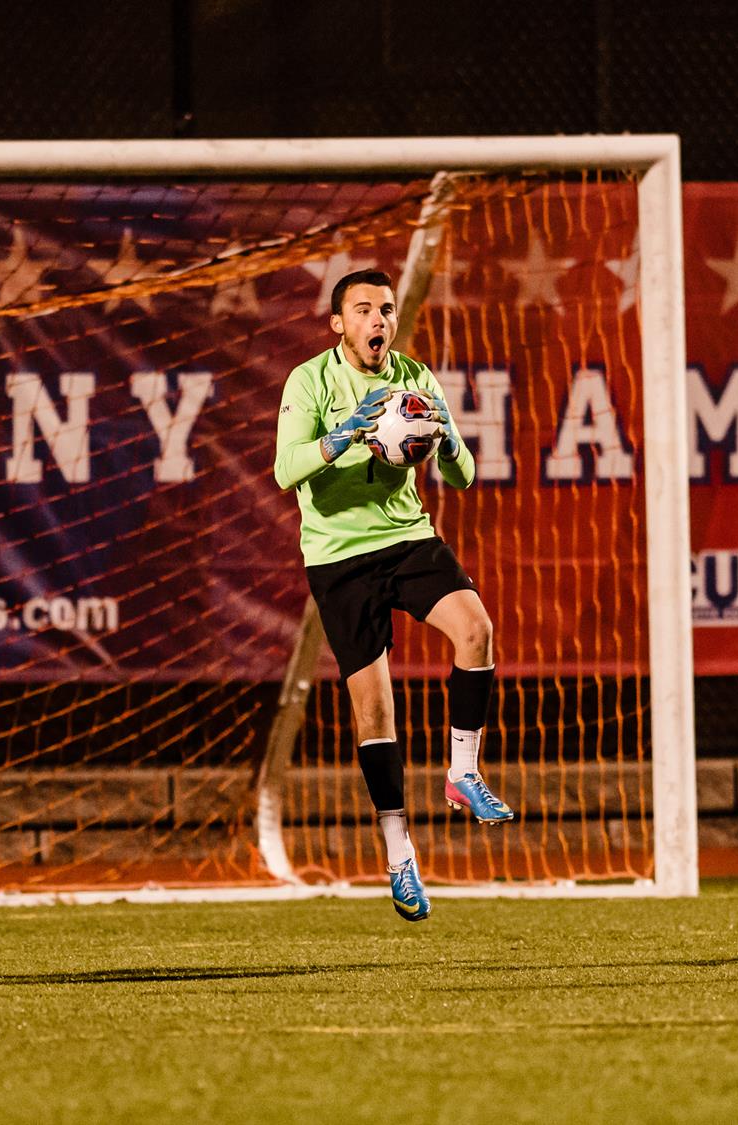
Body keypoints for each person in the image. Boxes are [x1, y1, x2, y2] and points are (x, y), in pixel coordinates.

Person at [273, 269, 514, 923]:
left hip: (408, 539)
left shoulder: (414, 378)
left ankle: (464, 770)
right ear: (338, 323)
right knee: (375, 712)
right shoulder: (311, 381)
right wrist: (346, 435)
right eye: (362, 310)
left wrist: (447, 438)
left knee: (478, 631)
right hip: (340, 558)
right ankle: (398, 851)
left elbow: (463, 477)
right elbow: (285, 468)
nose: (377, 320)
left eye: (384, 309)